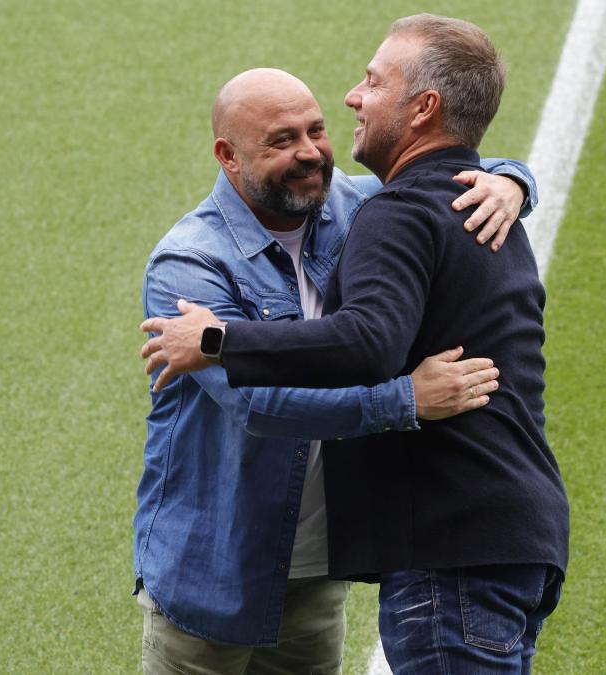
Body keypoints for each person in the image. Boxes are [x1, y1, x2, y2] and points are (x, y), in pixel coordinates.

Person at [141, 15, 568, 673]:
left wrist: (513, 181)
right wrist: (404, 401)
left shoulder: (359, 207)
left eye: (315, 130)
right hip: (217, 575)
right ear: (229, 156)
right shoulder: (189, 264)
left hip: (317, 575)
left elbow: (443, 172)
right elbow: (257, 404)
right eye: (282, 141)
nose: (311, 152)